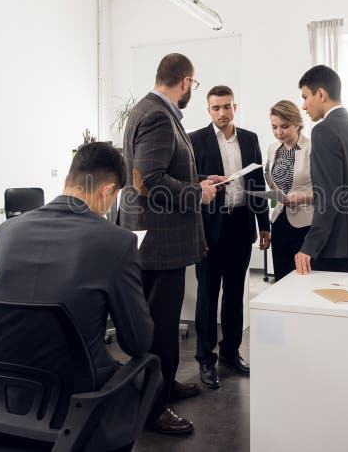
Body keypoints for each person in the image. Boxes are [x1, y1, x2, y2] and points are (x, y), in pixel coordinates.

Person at [0, 142, 156, 451]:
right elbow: (138, 343)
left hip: (0, 392)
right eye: (113, 198)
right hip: (75, 400)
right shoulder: (117, 242)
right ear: (107, 191)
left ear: (67, 180)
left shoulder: (6, 231)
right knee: (149, 370)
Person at [120, 52, 217, 435]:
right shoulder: (160, 115)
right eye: (193, 84)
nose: (192, 89)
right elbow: (148, 181)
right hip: (160, 244)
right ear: (185, 81)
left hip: (152, 239)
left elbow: (154, 172)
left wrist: (198, 180)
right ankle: (154, 408)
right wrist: (197, 194)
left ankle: (164, 386)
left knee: (158, 322)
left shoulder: (145, 110)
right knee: (161, 328)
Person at [189, 85, 270, 388]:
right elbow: (189, 184)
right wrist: (198, 234)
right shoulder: (195, 140)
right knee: (208, 298)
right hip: (209, 230)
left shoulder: (250, 138)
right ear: (208, 110)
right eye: (215, 108)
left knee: (235, 296)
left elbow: (257, 181)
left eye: (226, 107)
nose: (222, 113)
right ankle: (205, 360)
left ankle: (230, 354)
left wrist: (264, 224)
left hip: (240, 225)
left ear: (235, 106)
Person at [295, 65, 348, 274]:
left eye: (305, 97)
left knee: (322, 305)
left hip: (336, 246)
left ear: (320, 94)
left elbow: (328, 196)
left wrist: (310, 246)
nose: (303, 106)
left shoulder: (323, 131)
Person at [265, 100, 314, 281]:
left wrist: (300, 198)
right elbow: (269, 177)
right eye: (274, 127)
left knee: (304, 279)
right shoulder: (272, 149)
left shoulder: (311, 148)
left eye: (284, 126)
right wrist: (273, 191)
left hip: (306, 224)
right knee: (281, 278)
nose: (279, 132)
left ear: (297, 123)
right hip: (279, 220)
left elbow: (324, 190)